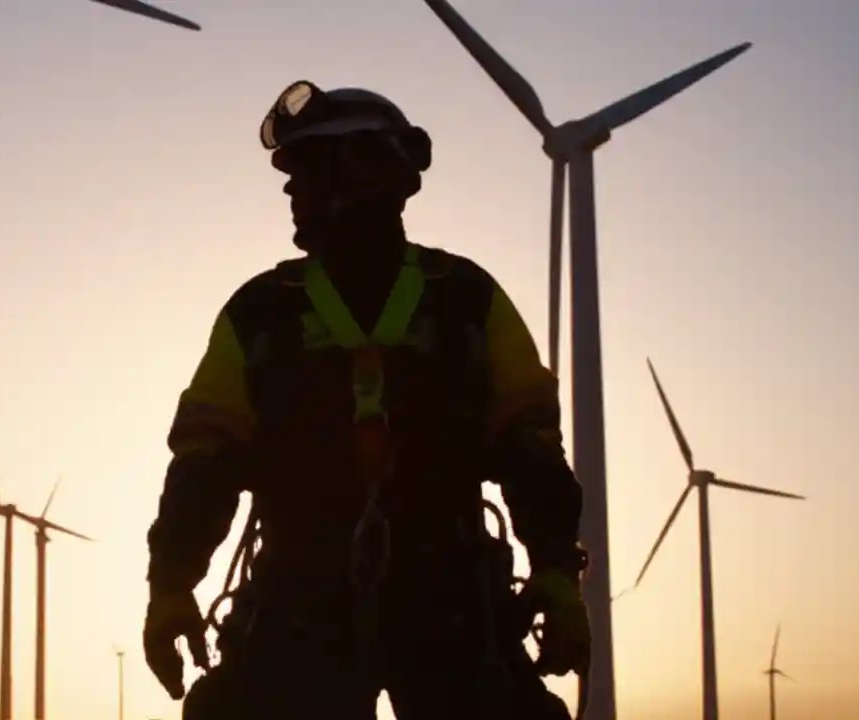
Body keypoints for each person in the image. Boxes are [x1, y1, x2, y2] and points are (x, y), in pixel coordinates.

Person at [142, 80, 591, 720]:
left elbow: (532, 450)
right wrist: (171, 586)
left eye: (306, 172)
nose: (291, 192)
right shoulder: (260, 312)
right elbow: (202, 465)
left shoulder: (466, 298)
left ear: (364, 171)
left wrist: (555, 573)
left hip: (448, 600)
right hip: (306, 600)